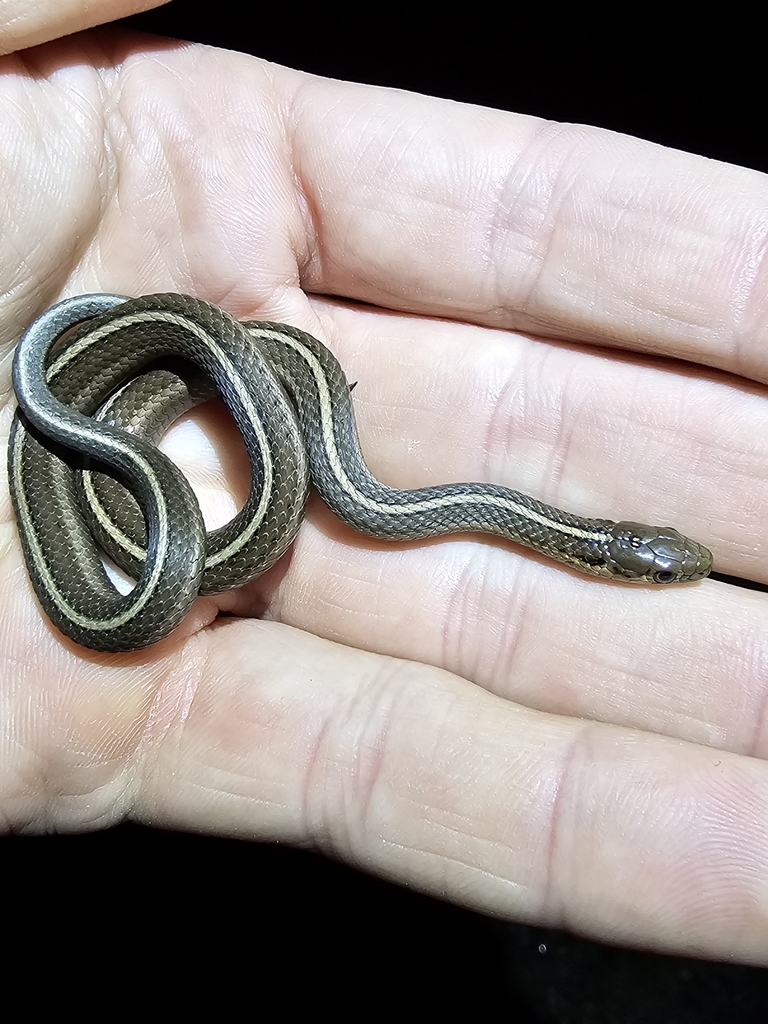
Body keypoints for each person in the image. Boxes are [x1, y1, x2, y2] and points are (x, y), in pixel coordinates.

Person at [1, 1, 766, 966]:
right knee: (275, 396)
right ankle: (95, 397)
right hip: (119, 416)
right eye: (653, 569)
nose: (655, 572)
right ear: (611, 552)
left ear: (610, 551)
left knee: (287, 404)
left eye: (650, 569)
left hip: (139, 425)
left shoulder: (339, 470)